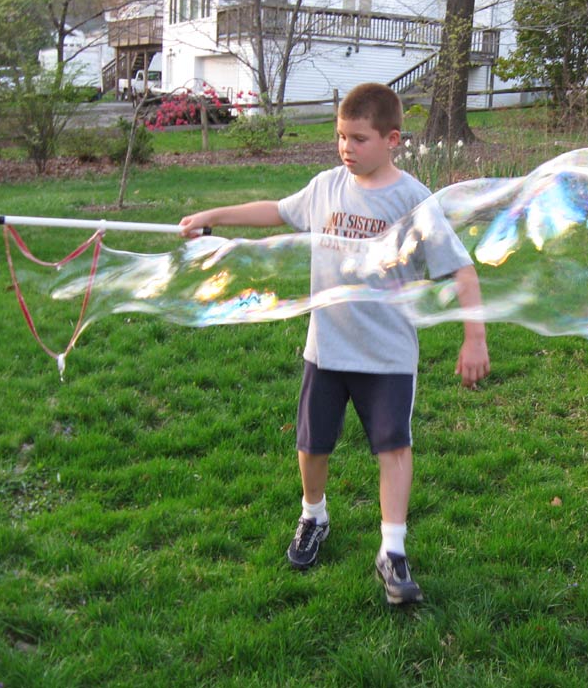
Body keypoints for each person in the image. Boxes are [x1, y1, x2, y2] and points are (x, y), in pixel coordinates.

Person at [179, 83, 490, 604]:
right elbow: (276, 212)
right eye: (341, 136)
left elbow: (461, 268)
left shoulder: (413, 199)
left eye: (360, 139)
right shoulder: (325, 187)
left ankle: (392, 552)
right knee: (313, 444)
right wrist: (214, 217)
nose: (347, 147)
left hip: (388, 355)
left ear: (392, 139)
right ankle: (313, 515)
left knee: (394, 446)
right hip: (326, 348)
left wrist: (474, 337)